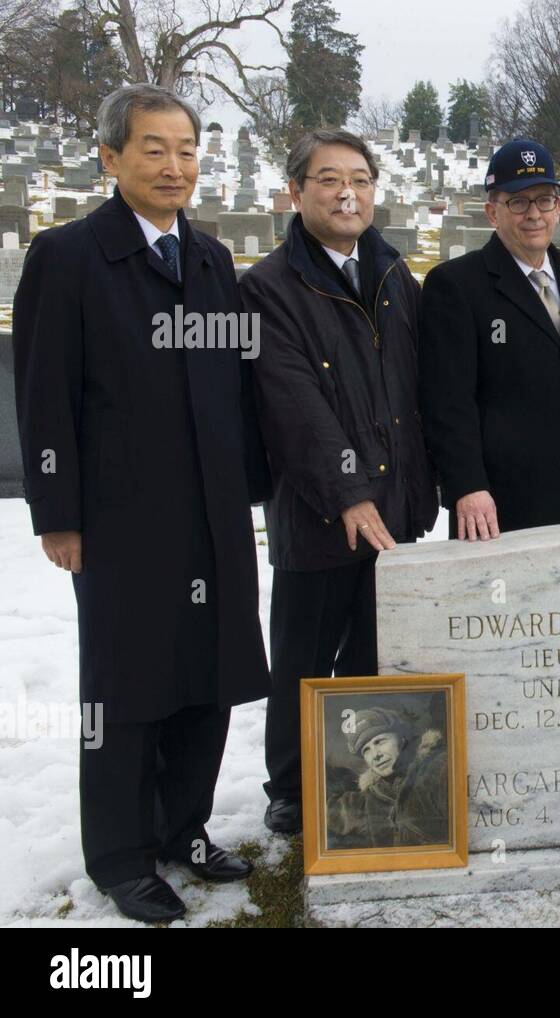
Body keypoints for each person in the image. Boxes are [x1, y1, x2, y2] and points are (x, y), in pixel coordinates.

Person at [12, 83, 269, 923]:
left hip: (210, 511)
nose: (174, 166)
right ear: (111, 158)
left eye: (188, 149)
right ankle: (121, 855)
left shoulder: (211, 258)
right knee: (126, 689)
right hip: (122, 518)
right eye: (154, 149)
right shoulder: (70, 256)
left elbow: (231, 386)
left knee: (206, 673)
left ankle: (182, 826)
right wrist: (59, 512)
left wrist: (249, 490)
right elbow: (44, 393)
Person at [241, 129, 438, 835]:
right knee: (304, 653)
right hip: (322, 509)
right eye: (328, 179)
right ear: (297, 193)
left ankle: (356, 777)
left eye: (359, 178)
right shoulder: (268, 288)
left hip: (396, 504)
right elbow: (294, 406)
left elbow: (414, 386)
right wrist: (348, 492)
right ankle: (291, 784)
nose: (347, 192)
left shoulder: (392, 273)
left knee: (371, 650)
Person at [420, 138, 560, 539]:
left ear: (559, 206)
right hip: (497, 507)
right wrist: (467, 485)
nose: (533, 214)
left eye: (545, 200)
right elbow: (447, 402)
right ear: (492, 212)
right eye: (518, 202)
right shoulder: (455, 286)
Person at [327, 707, 449, 848]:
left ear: (402, 737)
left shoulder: (439, 769)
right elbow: (331, 811)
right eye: (366, 750)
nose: (375, 755)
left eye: (379, 742)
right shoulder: (374, 795)